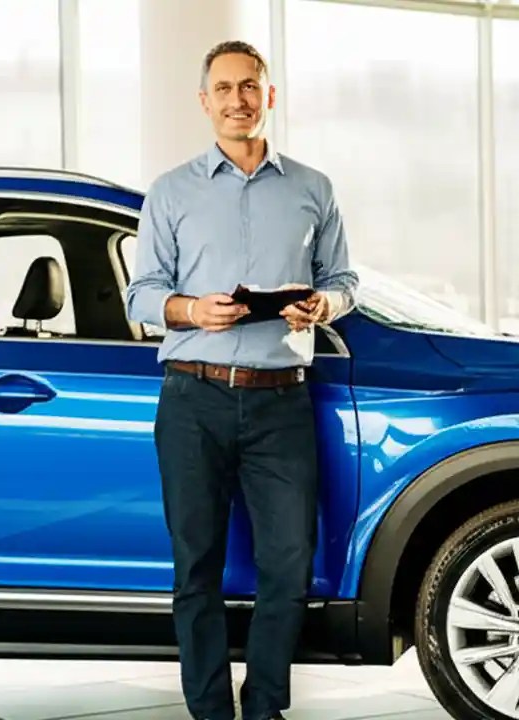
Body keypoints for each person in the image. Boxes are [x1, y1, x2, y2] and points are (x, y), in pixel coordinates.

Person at [124, 40, 358, 720]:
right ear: (205, 102)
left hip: (282, 401)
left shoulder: (314, 189)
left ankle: (263, 707)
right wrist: (192, 310)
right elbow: (142, 296)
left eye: (249, 86)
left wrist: (323, 304)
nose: (238, 100)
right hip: (193, 397)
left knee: (289, 564)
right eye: (224, 89)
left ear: (269, 95)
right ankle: (209, 711)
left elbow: (345, 280)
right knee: (195, 569)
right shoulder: (170, 192)